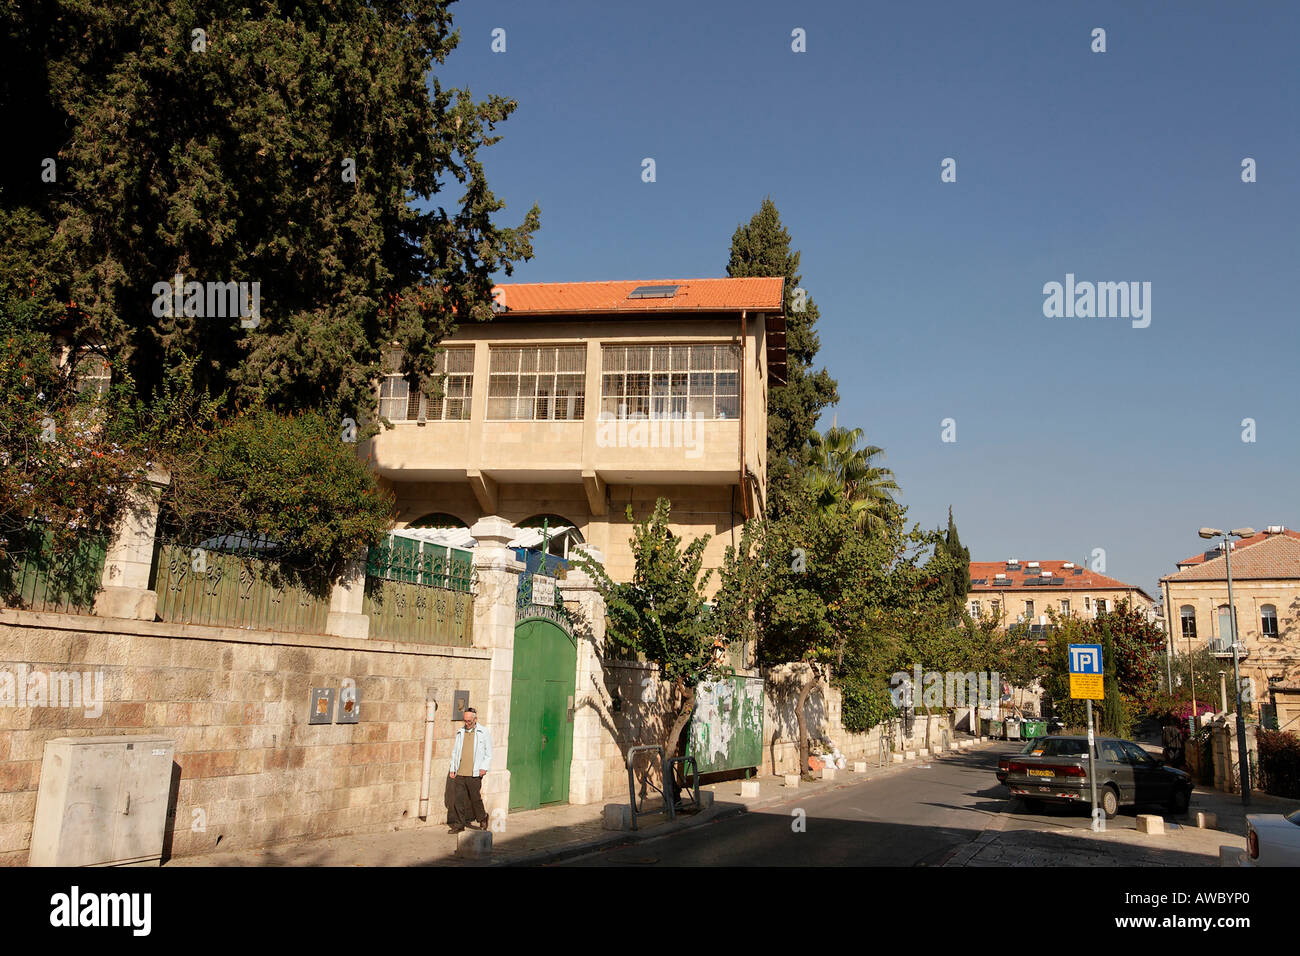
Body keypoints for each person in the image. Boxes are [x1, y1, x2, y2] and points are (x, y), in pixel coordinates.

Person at [447, 707, 492, 833]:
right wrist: (453, 768)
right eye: (465, 721)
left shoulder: (484, 732)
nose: (466, 723)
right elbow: (455, 752)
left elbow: (488, 753)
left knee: (475, 798)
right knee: (458, 799)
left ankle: (482, 818)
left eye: (469, 721)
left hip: (475, 772)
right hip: (460, 771)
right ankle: (459, 824)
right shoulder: (460, 732)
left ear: (475, 719)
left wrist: (484, 767)